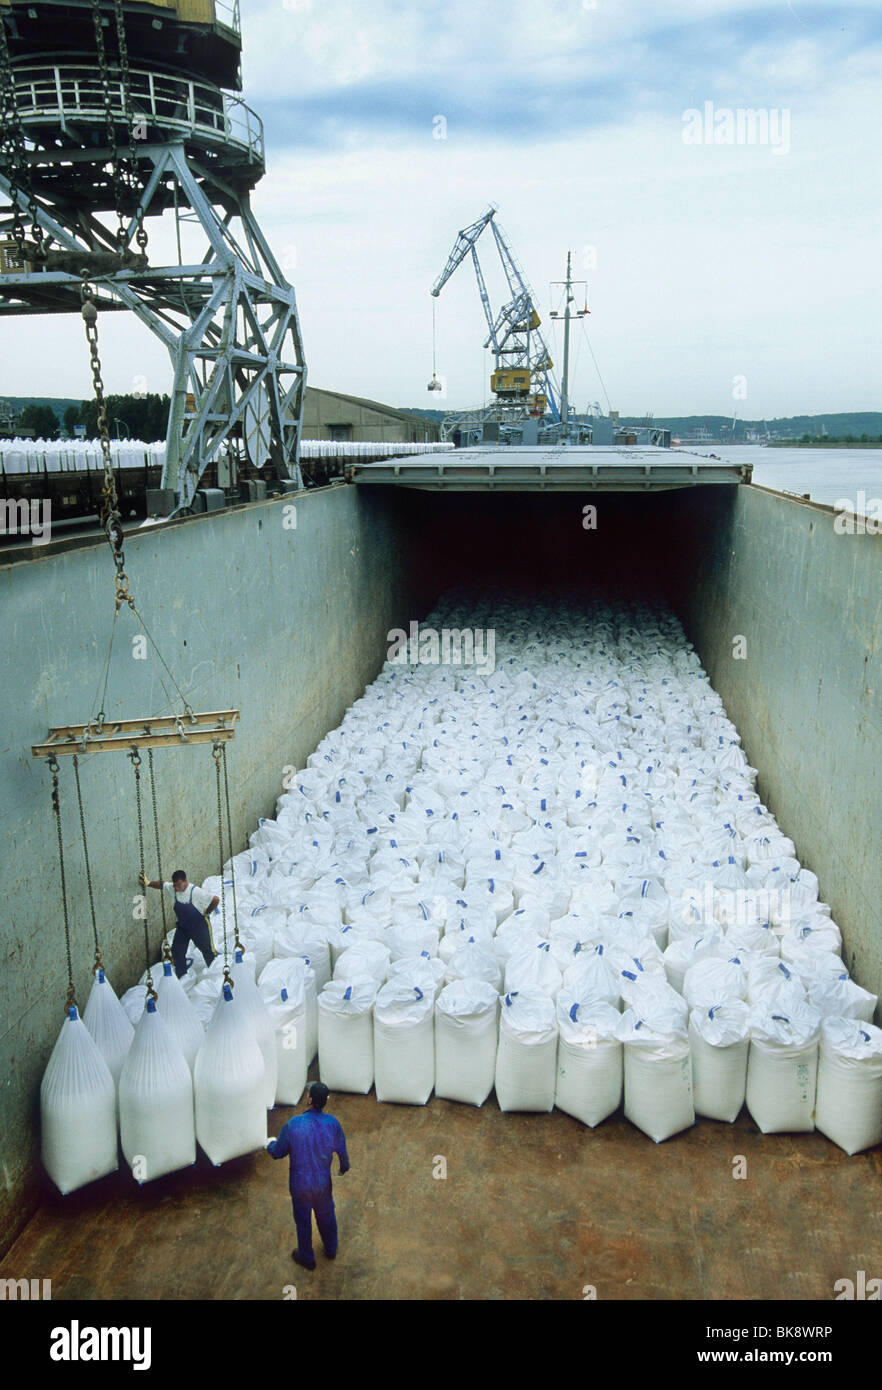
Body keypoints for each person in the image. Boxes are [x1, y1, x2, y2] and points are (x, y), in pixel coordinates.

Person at [266, 1082, 350, 1270]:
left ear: (309, 1100)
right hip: (322, 1183)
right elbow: (341, 1149)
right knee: (326, 1215)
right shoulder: (332, 1124)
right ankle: (331, 1248)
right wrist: (344, 1166)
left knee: (303, 1219)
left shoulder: (294, 1125)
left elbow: (278, 1152)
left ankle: (306, 1257)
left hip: (300, 1184)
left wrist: (269, 1144)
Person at [140, 868, 219, 978]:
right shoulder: (173, 888)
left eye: (179, 885)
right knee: (177, 951)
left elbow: (215, 900)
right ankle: (182, 976)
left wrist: (207, 911)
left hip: (199, 927)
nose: (177, 888)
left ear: (185, 881)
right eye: (175, 886)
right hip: (183, 927)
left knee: (208, 951)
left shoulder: (195, 892)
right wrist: (148, 883)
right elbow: (162, 884)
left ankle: (217, 975)